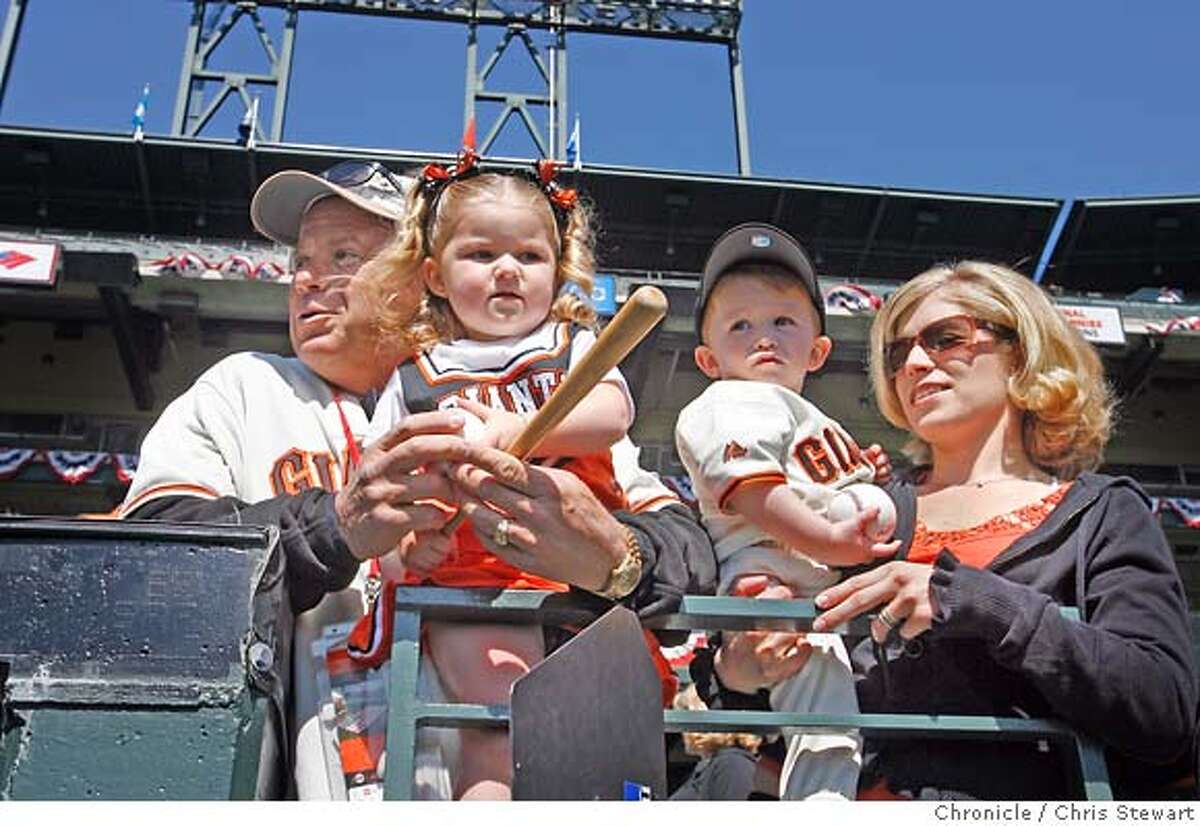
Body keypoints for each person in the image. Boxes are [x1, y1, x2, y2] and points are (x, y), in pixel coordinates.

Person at [119, 159, 717, 799]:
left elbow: (691, 555)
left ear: (416, 273)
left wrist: (613, 557)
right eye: (302, 260)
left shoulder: (540, 396)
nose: (305, 280)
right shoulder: (244, 390)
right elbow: (149, 562)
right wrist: (336, 526)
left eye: (344, 256)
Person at [693, 260, 1198, 799]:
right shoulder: (849, 516)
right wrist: (741, 670)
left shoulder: (1103, 512)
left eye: (945, 338)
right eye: (897, 352)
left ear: (1021, 352)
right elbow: (757, 699)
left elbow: (1162, 708)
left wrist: (978, 603)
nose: (912, 363)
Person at [358, 147, 636, 799]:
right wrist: (403, 549)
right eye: (482, 255)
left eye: (530, 257)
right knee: (501, 734)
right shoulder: (415, 375)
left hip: (581, 575)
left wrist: (519, 431)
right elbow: (382, 483)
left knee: (591, 745)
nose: (508, 270)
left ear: (558, 270)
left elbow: (614, 410)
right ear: (435, 273)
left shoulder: (573, 344)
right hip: (472, 580)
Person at [674, 222, 896, 800]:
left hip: (817, 591)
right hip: (764, 579)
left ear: (818, 349)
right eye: (739, 325)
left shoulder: (808, 417)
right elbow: (752, 491)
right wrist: (829, 539)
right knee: (825, 726)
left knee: (833, 731)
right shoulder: (724, 400)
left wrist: (864, 475)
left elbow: (825, 480)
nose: (763, 337)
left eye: (783, 322)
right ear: (707, 357)